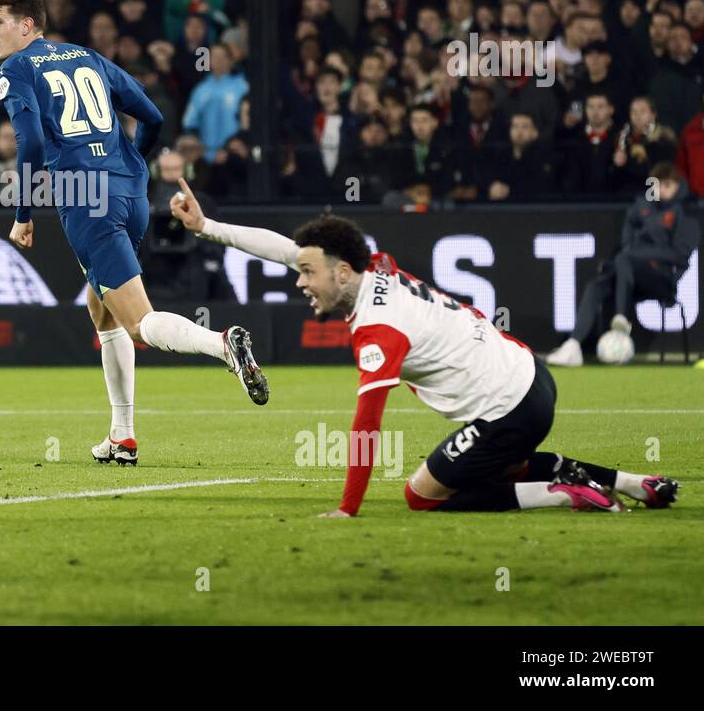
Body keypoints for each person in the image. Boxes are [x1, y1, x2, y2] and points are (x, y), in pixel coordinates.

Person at [168, 188, 680, 514]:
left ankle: (558, 493)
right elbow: (284, 247)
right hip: (531, 376)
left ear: (341, 273)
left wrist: (348, 508)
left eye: (307, 274)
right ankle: (635, 483)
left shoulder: (377, 329)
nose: (300, 281)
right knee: (501, 464)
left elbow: (366, 424)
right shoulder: (378, 267)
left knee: (421, 495)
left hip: (509, 407)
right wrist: (207, 227)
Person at [0, 0, 266, 467]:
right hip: (130, 190)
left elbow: (27, 142)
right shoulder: (85, 56)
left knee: (138, 321)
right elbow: (151, 115)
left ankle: (222, 345)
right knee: (103, 310)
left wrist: (24, 214)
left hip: (85, 198)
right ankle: (122, 436)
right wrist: (133, 160)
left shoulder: (14, 69)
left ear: (25, 25)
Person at [547, 163, 699, 366]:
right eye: (658, 185)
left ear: (678, 186)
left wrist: (639, 254)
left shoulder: (686, 213)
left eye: (668, 185)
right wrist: (633, 250)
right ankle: (573, 345)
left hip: (662, 279)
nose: (662, 190)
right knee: (595, 286)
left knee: (624, 259)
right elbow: (627, 239)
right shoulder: (641, 207)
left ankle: (621, 318)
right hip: (629, 276)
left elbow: (681, 255)